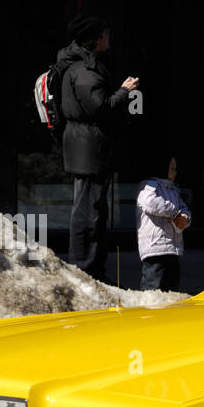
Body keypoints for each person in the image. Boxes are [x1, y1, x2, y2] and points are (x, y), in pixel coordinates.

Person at [57, 15, 138, 281]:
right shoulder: (84, 71)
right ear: (96, 39)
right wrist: (124, 91)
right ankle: (86, 267)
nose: (109, 37)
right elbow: (101, 108)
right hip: (89, 149)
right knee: (89, 212)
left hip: (87, 147)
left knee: (92, 210)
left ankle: (90, 266)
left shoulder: (82, 66)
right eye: (105, 33)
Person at [136, 154, 190, 292]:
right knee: (153, 288)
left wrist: (185, 218)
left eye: (175, 168)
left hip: (173, 248)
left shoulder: (174, 190)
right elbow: (149, 203)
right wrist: (174, 211)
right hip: (155, 248)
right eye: (172, 168)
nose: (175, 172)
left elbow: (183, 208)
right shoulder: (150, 186)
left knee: (172, 287)